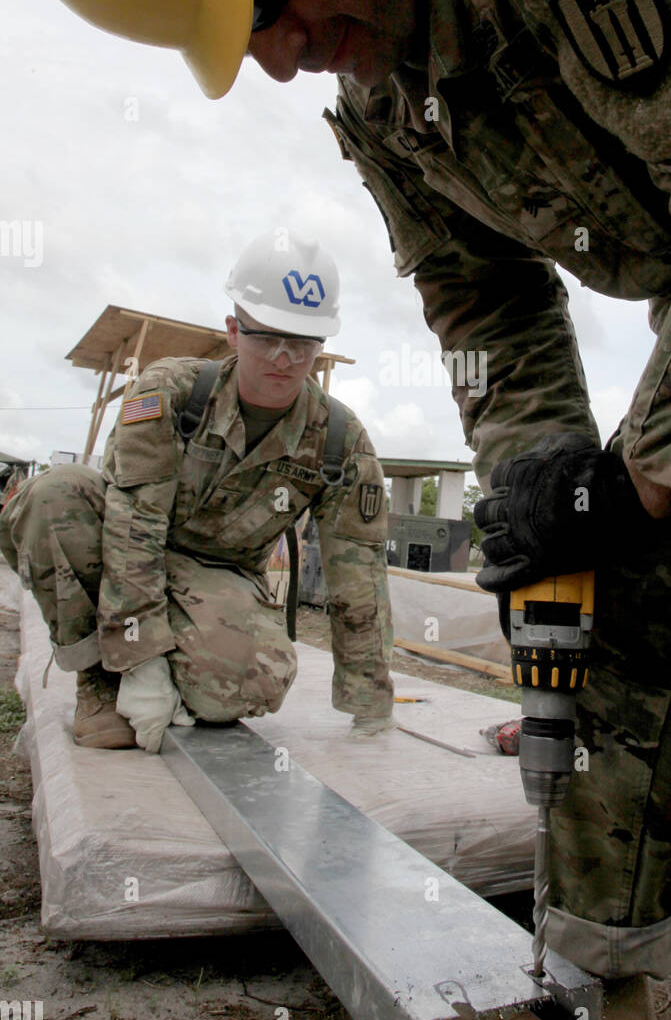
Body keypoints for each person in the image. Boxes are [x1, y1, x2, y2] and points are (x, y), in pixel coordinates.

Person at [1, 0, 671, 1020]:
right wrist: (540, 503)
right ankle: (598, 987)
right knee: (593, 609)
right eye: (237, 42)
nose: (280, 52)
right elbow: (484, 311)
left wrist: (623, 484)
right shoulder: (386, 104)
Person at [0, 231, 394, 753]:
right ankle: (100, 680)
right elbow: (134, 524)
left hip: (218, 577)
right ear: (233, 331)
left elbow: (359, 575)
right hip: (125, 546)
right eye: (266, 336)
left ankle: (180, 670)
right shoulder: (173, 392)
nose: (284, 358)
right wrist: (137, 659)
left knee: (254, 676)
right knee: (54, 496)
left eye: (302, 343)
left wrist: (370, 704)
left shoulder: (340, 440)